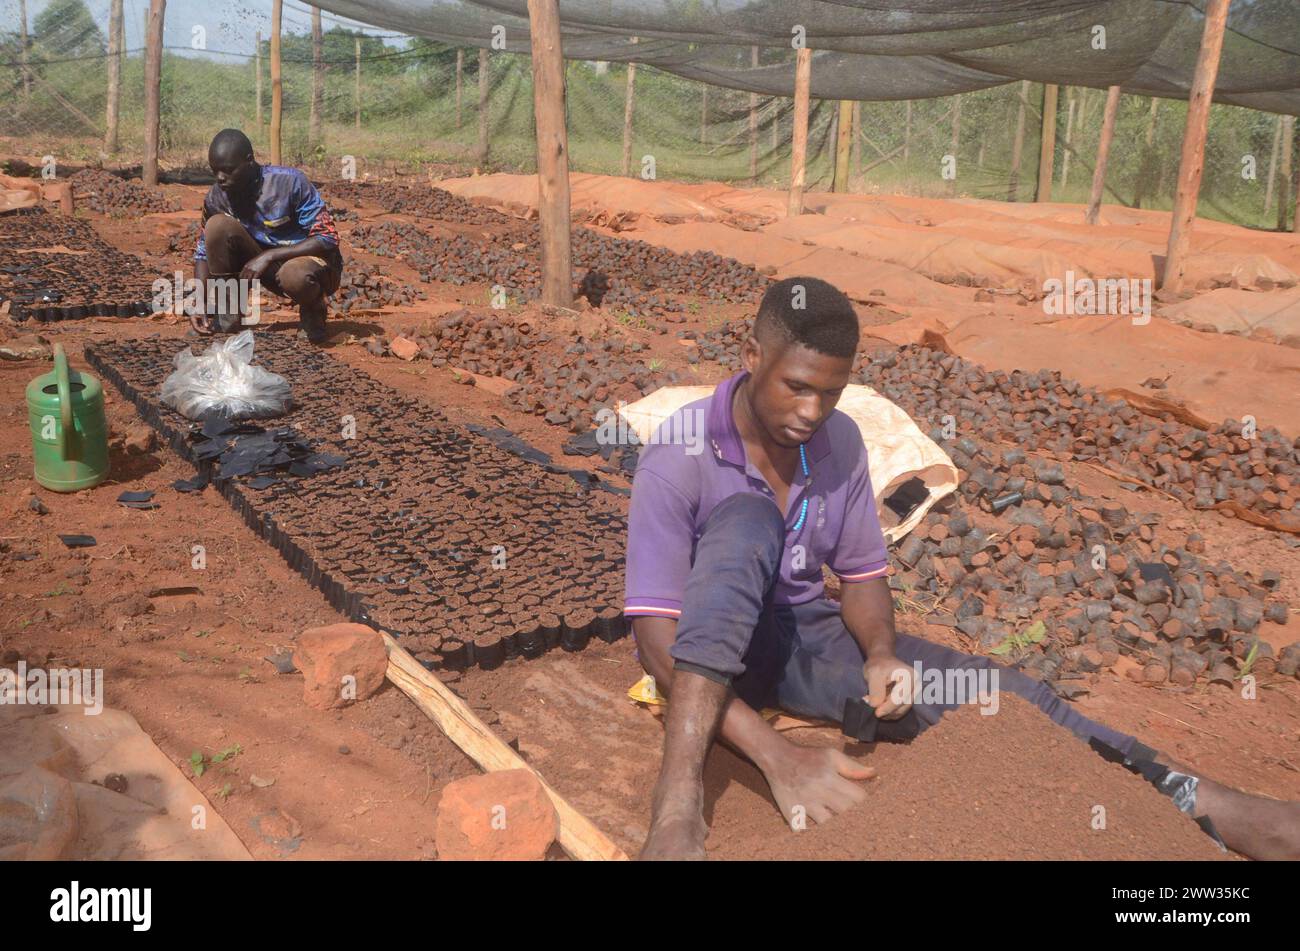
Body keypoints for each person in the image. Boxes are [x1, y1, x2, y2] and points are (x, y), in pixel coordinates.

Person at [626, 276, 1300, 861]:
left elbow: (861, 574)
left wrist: (883, 652)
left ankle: (1198, 796)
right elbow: (658, 641)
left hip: (802, 637)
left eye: (830, 394)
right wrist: (778, 757)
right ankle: (678, 797)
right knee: (747, 519)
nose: (811, 412)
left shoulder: (840, 440)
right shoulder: (679, 451)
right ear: (752, 356)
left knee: (1004, 696)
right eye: (797, 387)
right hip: (701, 653)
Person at [189, 128, 342, 343]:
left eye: (228, 170)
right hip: (261, 266)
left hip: (311, 266)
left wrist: (269, 256)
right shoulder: (217, 196)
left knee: (295, 274)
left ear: (249, 161)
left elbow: (327, 238)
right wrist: (200, 301)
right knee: (217, 226)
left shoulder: (290, 183)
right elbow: (203, 252)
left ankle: (314, 309)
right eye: (215, 171)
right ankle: (229, 311)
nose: (220, 178)